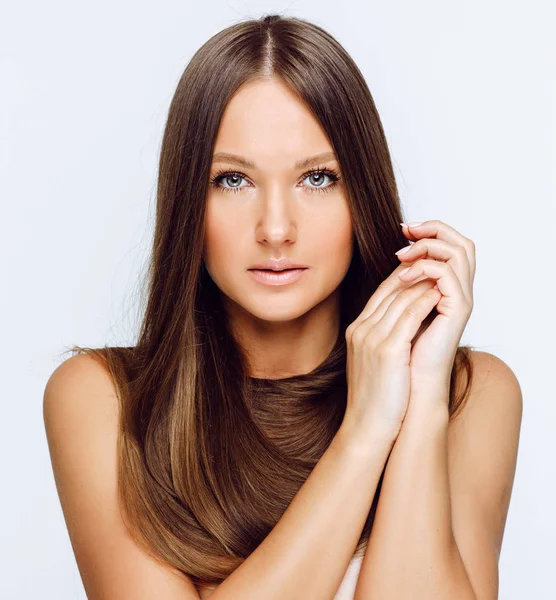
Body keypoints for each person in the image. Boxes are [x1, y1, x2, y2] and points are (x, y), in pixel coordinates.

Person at [43, 13, 522, 599]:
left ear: (362, 191)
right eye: (232, 180)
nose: (275, 228)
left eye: (317, 178)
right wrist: (366, 430)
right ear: (187, 199)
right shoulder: (106, 400)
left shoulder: (471, 392)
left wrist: (419, 399)